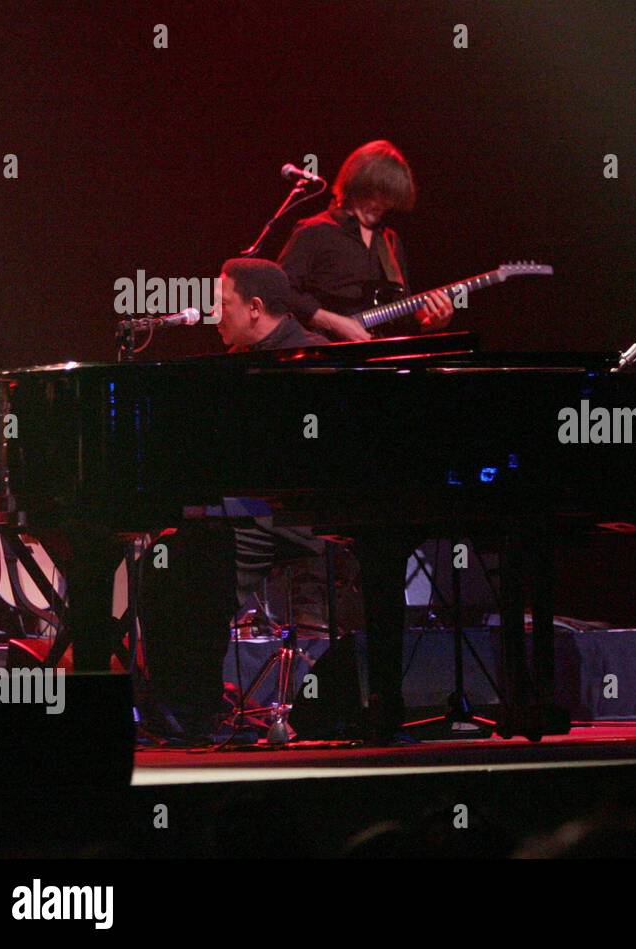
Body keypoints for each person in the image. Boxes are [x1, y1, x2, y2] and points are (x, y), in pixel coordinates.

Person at [139, 259, 332, 741]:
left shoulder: (311, 358)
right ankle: (185, 703)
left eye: (222, 305)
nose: (214, 315)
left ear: (256, 308)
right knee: (162, 563)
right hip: (246, 512)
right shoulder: (242, 361)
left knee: (198, 565)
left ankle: (195, 707)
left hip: (298, 517)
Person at [277, 140, 454, 342]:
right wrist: (333, 322)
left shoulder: (390, 240)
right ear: (357, 183)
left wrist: (428, 322)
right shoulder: (315, 231)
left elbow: (398, 316)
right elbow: (281, 292)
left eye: (389, 197)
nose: (382, 204)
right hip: (323, 352)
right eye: (375, 193)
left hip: (376, 356)